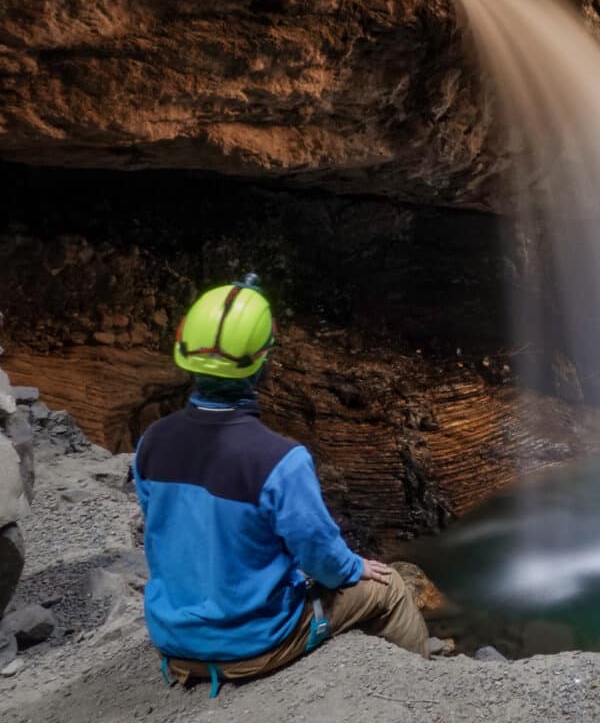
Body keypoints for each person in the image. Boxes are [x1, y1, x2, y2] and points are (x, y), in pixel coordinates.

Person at [132, 274, 429, 694]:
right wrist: (352, 566)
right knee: (392, 588)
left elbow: (167, 527)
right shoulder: (280, 460)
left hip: (172, 636)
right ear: (262, 362)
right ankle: (419, 689)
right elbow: (320, 556)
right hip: (254, 642)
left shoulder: (150, 444)